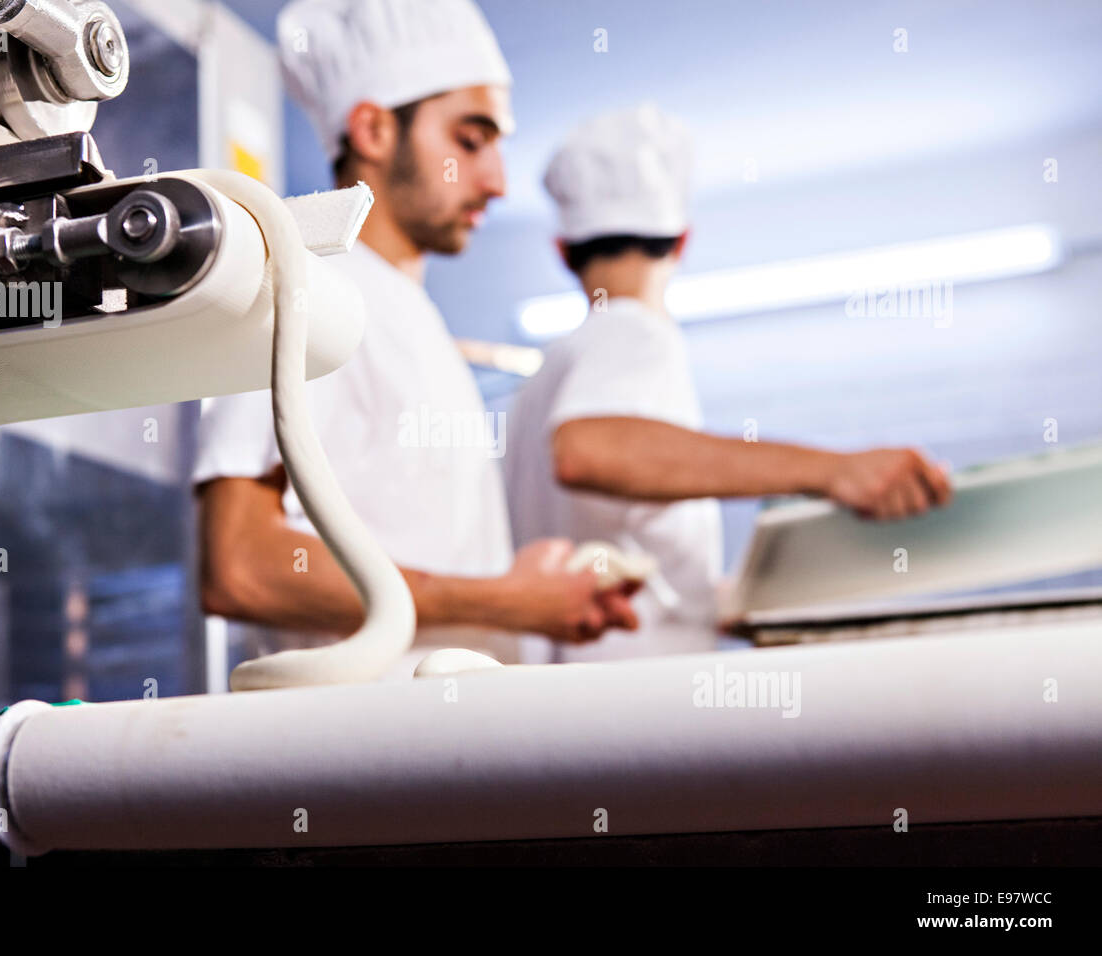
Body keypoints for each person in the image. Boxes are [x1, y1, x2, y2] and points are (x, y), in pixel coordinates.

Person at [194, 0, 636, 677]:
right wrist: (507, 600)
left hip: (441, 750)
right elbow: (240, 565)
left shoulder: (411, 316)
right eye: (469, 139)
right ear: (371, 128)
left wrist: (528, 588)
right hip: (358, 758)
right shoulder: (312, 285)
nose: (496, 180)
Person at [504, 104, 952, 663]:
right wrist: (835, 471)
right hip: (630, 695)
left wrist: (704, 598)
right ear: (683, 241)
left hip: (568, 693)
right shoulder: (633, 332)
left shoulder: (545, 373)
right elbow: (588, 451)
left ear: (564, 252)